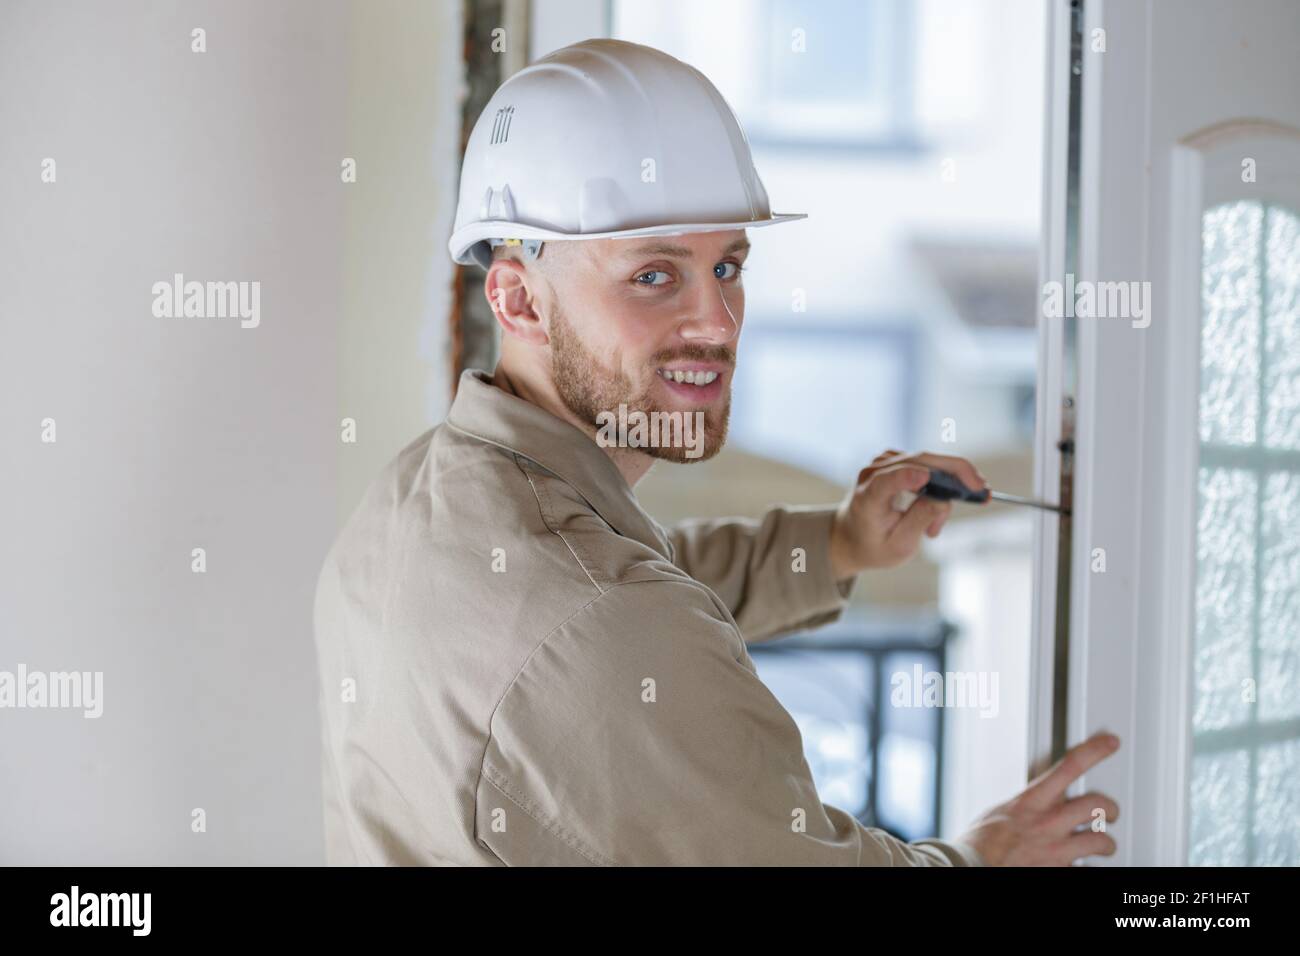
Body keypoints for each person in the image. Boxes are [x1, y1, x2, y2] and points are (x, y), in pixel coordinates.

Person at [312, 38, 1121, 866]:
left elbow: (634, 596)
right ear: (519, 300)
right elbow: (617, 625)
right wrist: (987, 856)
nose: (718, 323)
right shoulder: (601, 616)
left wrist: (839, 543)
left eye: (728, 266)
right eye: (654, 276)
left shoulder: (413, 498)